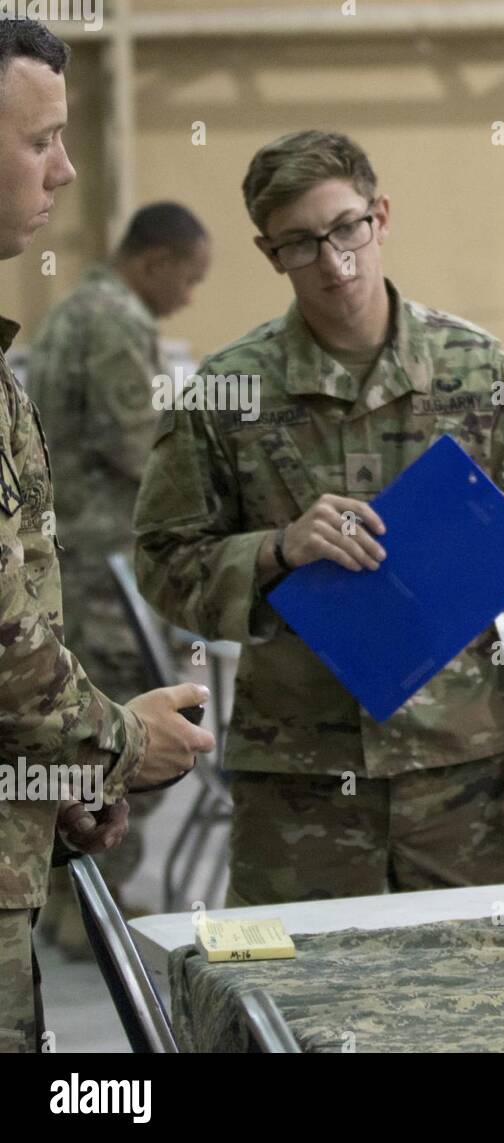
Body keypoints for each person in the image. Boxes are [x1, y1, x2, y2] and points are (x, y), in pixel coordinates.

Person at [135, 130, 504, 907]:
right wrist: (276, 550)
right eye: (301, 243)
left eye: (347, 227)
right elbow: (163, 560)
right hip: (299, 784)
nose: (334, 261)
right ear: (268, 252)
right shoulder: (227, 392)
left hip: (465, 771)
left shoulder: (480, 373)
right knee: (295, 1007)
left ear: (380, 216)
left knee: (479, 1005)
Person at [0, 19, 212, 1052]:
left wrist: (55, 787)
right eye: (40, 139)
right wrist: (119, 746)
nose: (66, 169)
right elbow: (6, 653)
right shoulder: (110, 322)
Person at [27, 202, 210, 951]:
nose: (189, 296)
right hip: (102, 571)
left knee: (83, 739)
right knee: (131, 736)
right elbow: (141, 446)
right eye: (190, 278)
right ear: (156, 259)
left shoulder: (79, 309)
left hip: (75, 561)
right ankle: (80, 904)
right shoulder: (111, 320)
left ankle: (84, 895)